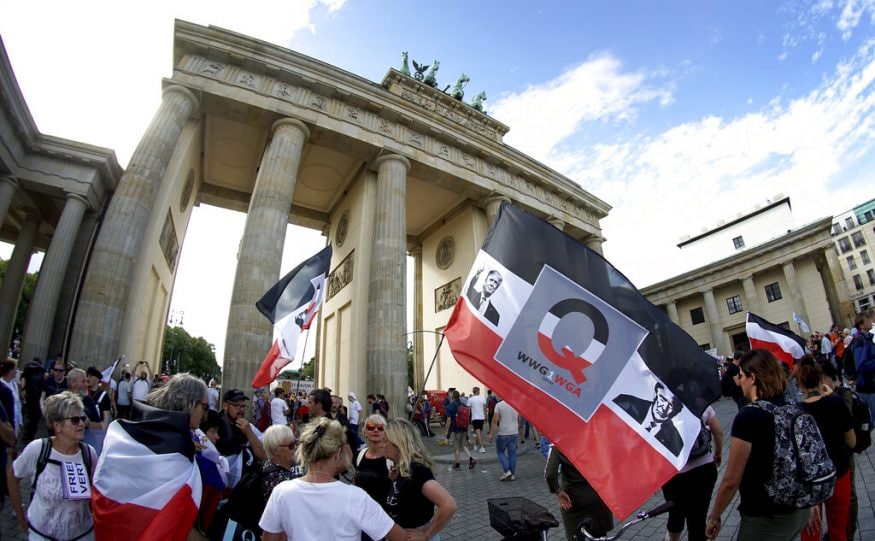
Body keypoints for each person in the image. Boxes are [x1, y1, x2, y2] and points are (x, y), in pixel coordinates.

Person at [259, 417, 424, 541]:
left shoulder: (281, 492)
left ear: (304, 452)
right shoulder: (356, 497)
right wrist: (425, 533)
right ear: (338, 454)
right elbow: (400, 537)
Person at [706, 349, 811, 540]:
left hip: (765, 514)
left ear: (752, 377)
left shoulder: (749, 417)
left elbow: (731, 481)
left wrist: (714, 516)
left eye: (741, 376)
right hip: (799, 507)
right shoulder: (793, 406)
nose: (738, 381)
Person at [92, 372, 209, 540]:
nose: (205, 415)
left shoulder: (131, 431)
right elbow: (174, 516)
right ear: (190, 404)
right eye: (204, 407)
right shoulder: (177, 450)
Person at [9, 391, 99, 540]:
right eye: (75, 420)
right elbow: (13, 477)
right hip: (42, 535)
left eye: (83, 418)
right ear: (57, 425)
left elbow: (96, 494)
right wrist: (21, 519)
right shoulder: (38, 450)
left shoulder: (89, 454)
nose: (82, 423)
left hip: (82, 535)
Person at [796, 360, 855, 541]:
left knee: (811, 534)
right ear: (821, 379)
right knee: (838, 531)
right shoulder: (837, 404)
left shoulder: (797, 412)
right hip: (839, 472)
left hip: (811, 481)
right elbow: (852, 442)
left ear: (800, 385)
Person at [384, 418, 457, 540]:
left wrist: (426, 533)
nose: (382, 445)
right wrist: (396, 480)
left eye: (385, 441)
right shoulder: (404, 470)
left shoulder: (417, 470)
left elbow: (449, 505)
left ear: (398, 443)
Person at [661, 405, 724, 541]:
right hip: (703, 469)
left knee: (675, 513)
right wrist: (718, 453)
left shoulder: (661, 402)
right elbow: (718, 432)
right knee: (698, 519)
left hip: (672, 474)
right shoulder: (699, 400)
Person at [545, 446, 612, 540]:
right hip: (598, 495)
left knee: (575, 535)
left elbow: (550, 475)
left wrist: (558, 491)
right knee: (599, 535)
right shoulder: (598, 440)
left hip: (573, 498)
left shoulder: (559, 445)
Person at [613, 381, 684, 456]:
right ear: (655, 395)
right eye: (662, 400)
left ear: (675, 412)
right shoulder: (625, 404)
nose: (664, 408)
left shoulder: (675, 442)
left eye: (670, 406)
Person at [216, 388, 266, 489]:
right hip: (224, 488)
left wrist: (249, 433)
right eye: (237, 406)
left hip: (246, 486)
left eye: (243, 406)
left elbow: (264, 455)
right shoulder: (216, 427)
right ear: (225, 406)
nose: (241, 410)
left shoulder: (247, 426)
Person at [489, 392, 521, 481]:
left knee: (500, 452)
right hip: (514, 432)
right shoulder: (516, 404)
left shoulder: (499, 405)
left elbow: (495, 420)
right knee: (512, 454)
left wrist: (491, 433)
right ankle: (512, 474)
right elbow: (519, 419)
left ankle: (507, 471)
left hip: (503, 433)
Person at [445, 390, 475, 471]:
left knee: (456, 447)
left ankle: (457, 464)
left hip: (456, 429)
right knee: (463, 445)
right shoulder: (462, 404)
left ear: (453, 397)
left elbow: (449, 420)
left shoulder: (451, 406)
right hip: (463, 428)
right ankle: (471, 458)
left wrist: (446, 431)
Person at [467, 386, 487, 453]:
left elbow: (468, 410)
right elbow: (485, 408)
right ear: (478, 391)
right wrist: (485, 417)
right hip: (481, 418)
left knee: (478, 433)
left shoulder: (470, 399)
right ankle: (479, 446)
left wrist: (468, 418)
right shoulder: (482, 399)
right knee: (478, 433)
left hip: (475, 418)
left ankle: (479, 446)